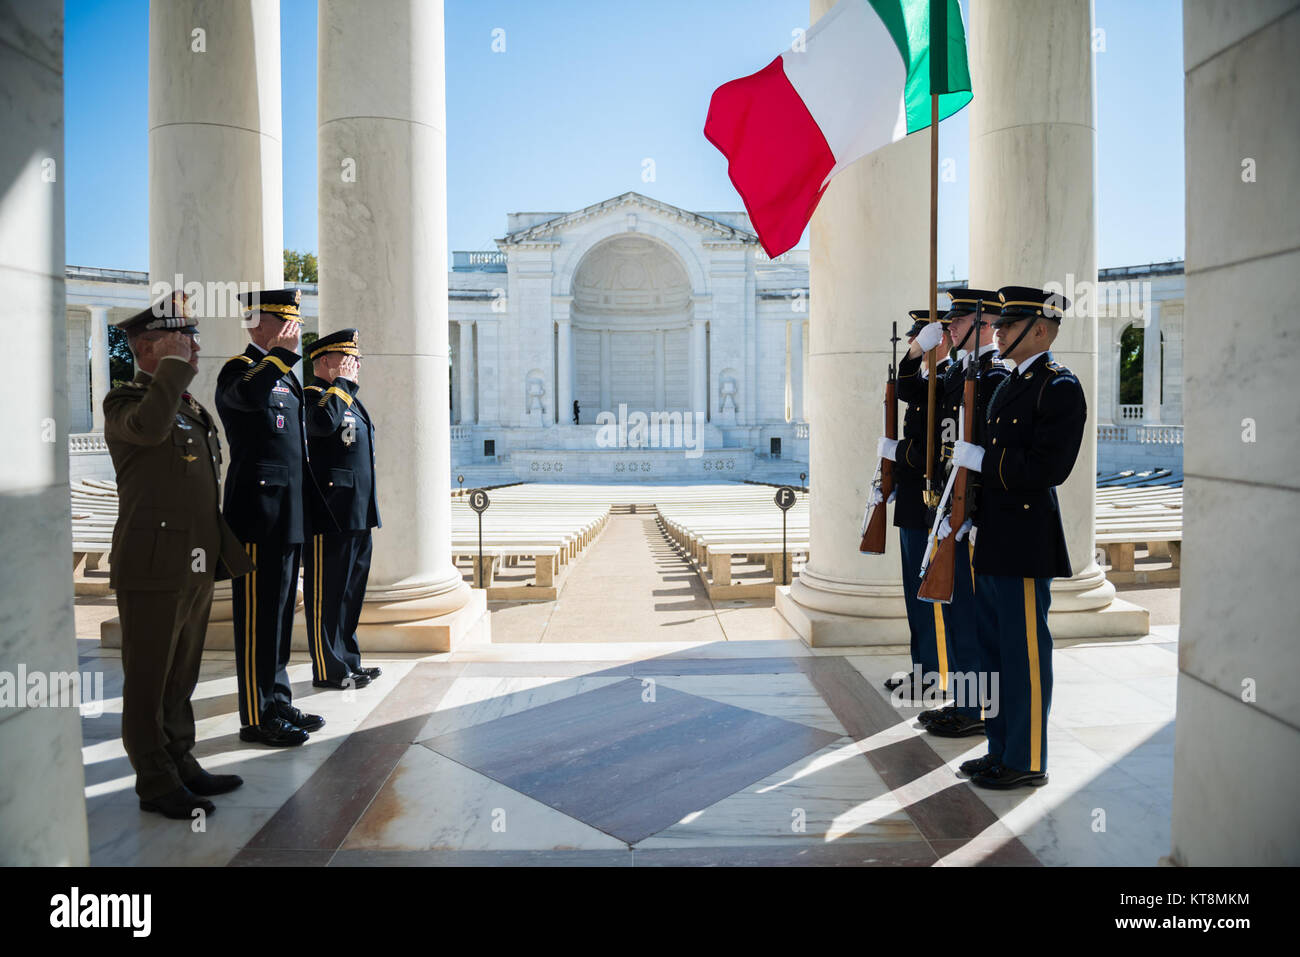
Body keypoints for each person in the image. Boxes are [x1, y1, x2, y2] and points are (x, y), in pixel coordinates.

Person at [104, 292, 252, 818]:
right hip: (150, 567)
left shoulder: (188, 405)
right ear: (148, 349)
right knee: (148, 679)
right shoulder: (124, 403)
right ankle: (155, 781)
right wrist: (170, 369)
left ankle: (181, 761)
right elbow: (149, 429)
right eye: (181, 340)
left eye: (191, 339)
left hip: (192, 561)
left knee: (180, 676)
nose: (194, 348)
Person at [952, 285, 1087, 788]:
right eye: (1001, 324)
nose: (1000, 331)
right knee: (992, 652)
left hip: (1026, 541)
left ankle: (1027, 759)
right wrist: (969, 512)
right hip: (991, 536)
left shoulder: (1058, 387)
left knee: (1024, 653)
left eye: (1009, 325)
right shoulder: (1010, 383)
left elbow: (1050, 466)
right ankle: (998, 748)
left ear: (1042, 330)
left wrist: (985, 462)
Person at [216, 288, 336, 747]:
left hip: (289, 512)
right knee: (258, 618)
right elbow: (246, 398)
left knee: (283, 614)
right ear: (256, 323)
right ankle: (255, 715)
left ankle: (278, 699)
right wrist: (282, 358)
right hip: (256, 512)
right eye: (286, 322)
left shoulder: (284, 378)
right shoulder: (240, 370)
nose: (295, 331)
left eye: (295, 323)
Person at [919, 289, 1010, 739]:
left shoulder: (993, 376)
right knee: (955, 611)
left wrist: (969, 506)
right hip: (950, 503)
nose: (950, 328)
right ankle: (965, 700)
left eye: (959, 321)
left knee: (972, 616)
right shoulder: (964, 371)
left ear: (985, 324)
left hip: (972, 511)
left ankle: (976, 707)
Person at [875, 308, 951, 700]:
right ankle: (924, 667)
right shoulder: (925, 379)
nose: (911, 345)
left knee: (930, 591)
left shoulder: (946, 383)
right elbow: (903, 388)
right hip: (911, 497)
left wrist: (898, 453)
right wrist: (890, 478)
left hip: (930, 500)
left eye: (918, 340)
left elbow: (935, 450)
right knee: (914, 591)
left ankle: (937, 674)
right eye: (912, 341)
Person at [302, 330, 382, 690]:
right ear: (323, 362)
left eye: (356, 359)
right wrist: (343, 385)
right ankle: (329, 667)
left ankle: (349, 660)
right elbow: (321, 425)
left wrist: (345, 385)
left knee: (350, 593)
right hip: (329, 512)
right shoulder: (312, 397)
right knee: (326, 594)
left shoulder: (348, 398)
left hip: (357, 511)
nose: (355, 364)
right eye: (346, 359)